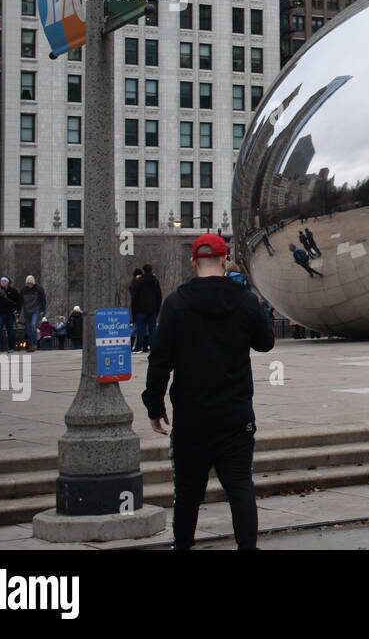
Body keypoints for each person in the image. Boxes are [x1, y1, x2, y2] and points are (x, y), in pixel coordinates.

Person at [143, 233, 275, 550]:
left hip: (192, 417)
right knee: (240, 487)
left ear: (193, 261)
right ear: (224, 259)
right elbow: (266, 342)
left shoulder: (175, 304)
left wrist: (154, 406)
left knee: (187, 493)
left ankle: (183, 546)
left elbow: (160, 360)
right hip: (235, 415)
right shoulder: (244, 300)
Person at [135, 264, 163, 354]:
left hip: (141, 309)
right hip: (152, 309)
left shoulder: (140, 281)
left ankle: (138, 347)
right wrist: (157, 309)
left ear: (144, 270)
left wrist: (135, 310)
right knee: (152, 330)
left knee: (140, 329)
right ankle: (153, 347)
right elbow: (159, 296)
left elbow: (135, 296)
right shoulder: (155, 281)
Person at [0, 277, 22, 353]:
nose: (2, 282)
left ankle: (11, 348)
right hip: (0, 314)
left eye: (4, 281)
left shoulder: (13, 291)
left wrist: (18, 311)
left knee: (10, 330)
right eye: (1, 281)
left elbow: (18, 301)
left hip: (10, 314)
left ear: (8, 282)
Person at [19, 275, 47, 353]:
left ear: (33, 283)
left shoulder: (39, 289)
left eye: (30, 283)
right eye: (27, 283)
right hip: (27, 311)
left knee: (33, 325)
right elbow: (20, 301)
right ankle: (30, 345)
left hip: (36, 310)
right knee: (28, 329)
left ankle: (34, 344)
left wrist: (43, 311)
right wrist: (18, 311)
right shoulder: (23, 290)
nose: (29, 285)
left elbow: (43, 300)